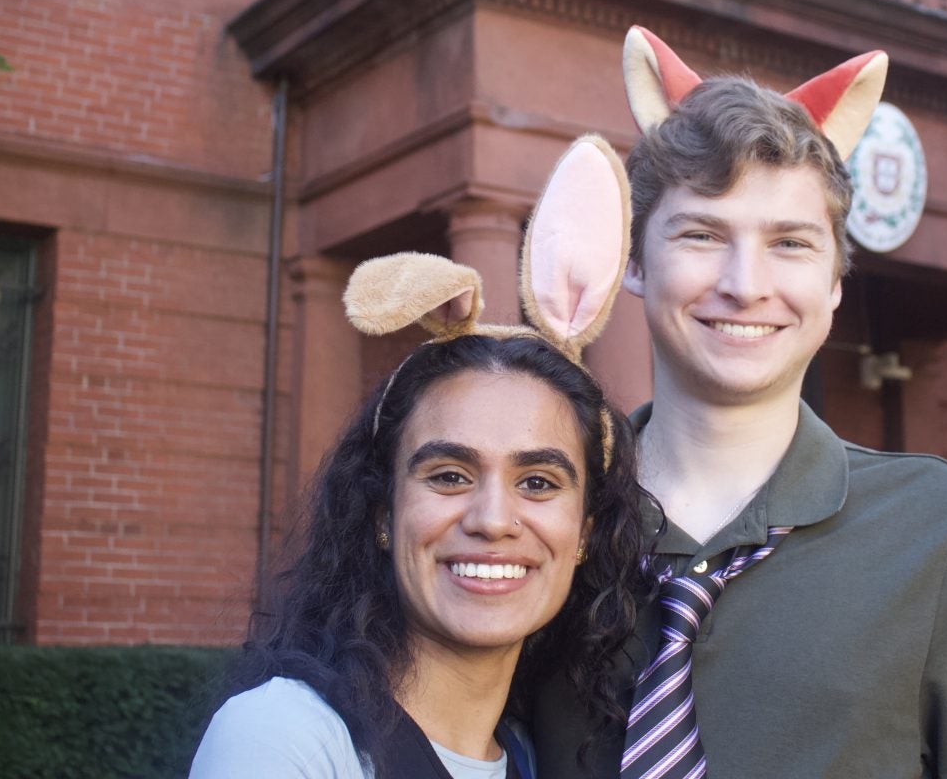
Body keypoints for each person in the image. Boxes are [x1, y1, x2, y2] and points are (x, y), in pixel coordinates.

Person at [530, 27, 947, 778]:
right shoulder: (543, 520)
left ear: (836, 282)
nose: (745, 282)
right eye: (703, 234)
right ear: (634, 261)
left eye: (791, 244)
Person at [192, 137, 650, 779]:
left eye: (539, 481)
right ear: (382, 512)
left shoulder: (533, 756)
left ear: (585, 535)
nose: (494, 519)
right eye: (450, 475)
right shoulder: (287, 738)